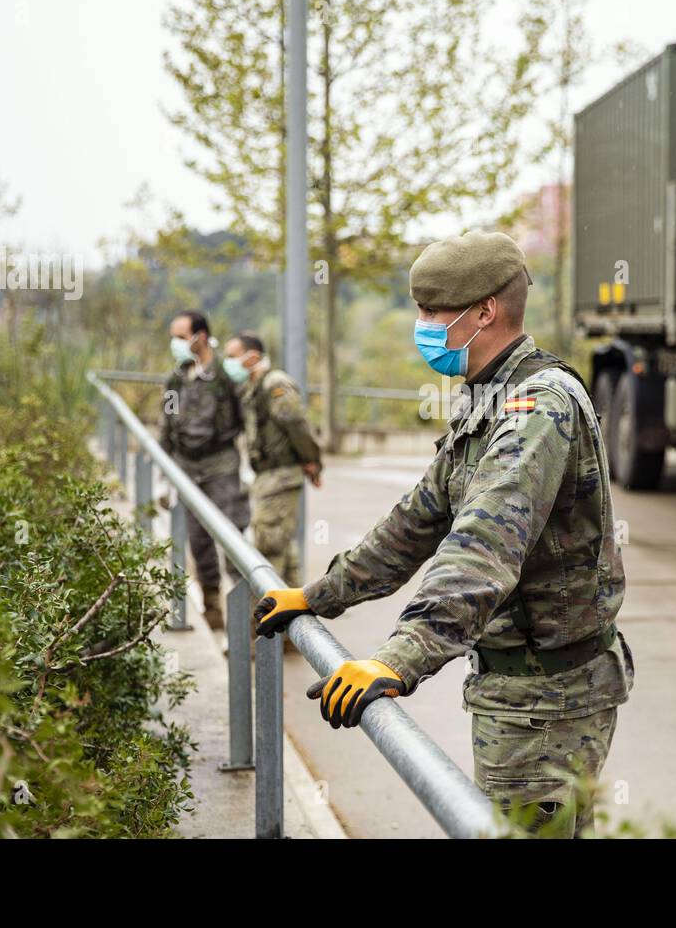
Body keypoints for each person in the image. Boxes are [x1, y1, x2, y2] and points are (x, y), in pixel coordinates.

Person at [254, 231, 634, 837]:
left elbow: (483, 548)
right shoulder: (488, 396)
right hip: (515, 685)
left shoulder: (538, 407)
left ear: (484, 311)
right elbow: (420, 518)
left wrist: (397, 659)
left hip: (548, 700)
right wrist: (321, 595)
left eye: (432, 310)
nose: (422, 324)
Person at [160, 310, 250, 631]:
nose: (176, 343)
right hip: (187, 467)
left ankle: (244, 621)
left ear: (200, 337)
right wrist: (164, 475)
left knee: (232, 535)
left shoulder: (225, 377)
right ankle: (214, 611)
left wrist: (251, 462)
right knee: (198, 541)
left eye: (182, 337)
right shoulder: (175, 379)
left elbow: (245, 417)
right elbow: (166, 427)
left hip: (220, 465)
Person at [222, 331, 322, 590]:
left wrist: (312, 461)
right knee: (284, 552)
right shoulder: (253, 388)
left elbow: (296, 423)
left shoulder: (274, 384)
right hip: (268, 476)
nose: (228, 362)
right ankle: (293, 624)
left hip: (280, 475)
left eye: (232, 356)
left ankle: (261, 627)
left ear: (252, 356)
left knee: (268, 549)